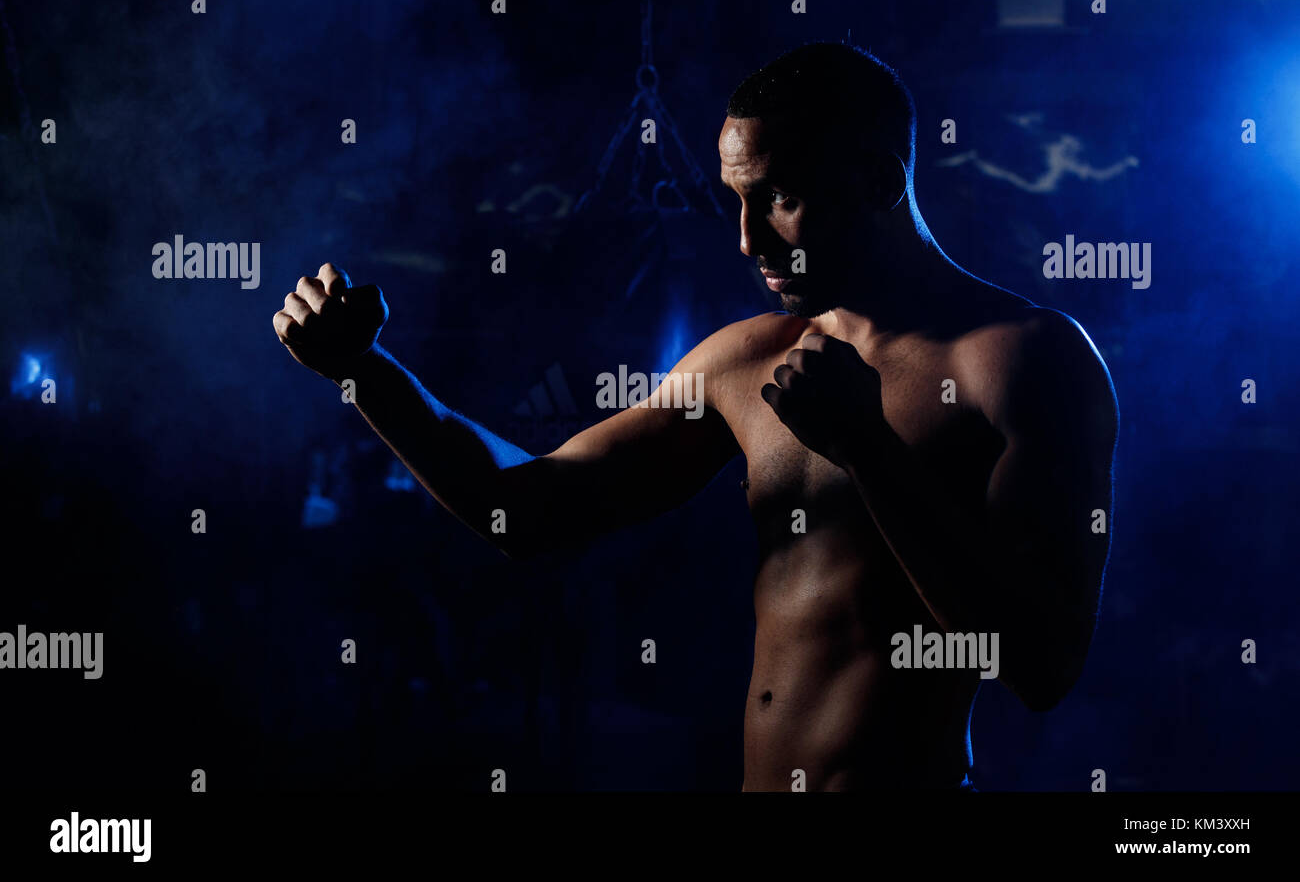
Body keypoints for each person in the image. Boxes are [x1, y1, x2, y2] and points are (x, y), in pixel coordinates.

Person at [272, 43, 1118, 791]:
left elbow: (1040, 662)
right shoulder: (744, 360)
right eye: (736, 201)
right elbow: (527, 509)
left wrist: (867, 446)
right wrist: (364, 371)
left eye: (780, 197)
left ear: (877, 180)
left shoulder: (1023, 360)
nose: (748, 240)